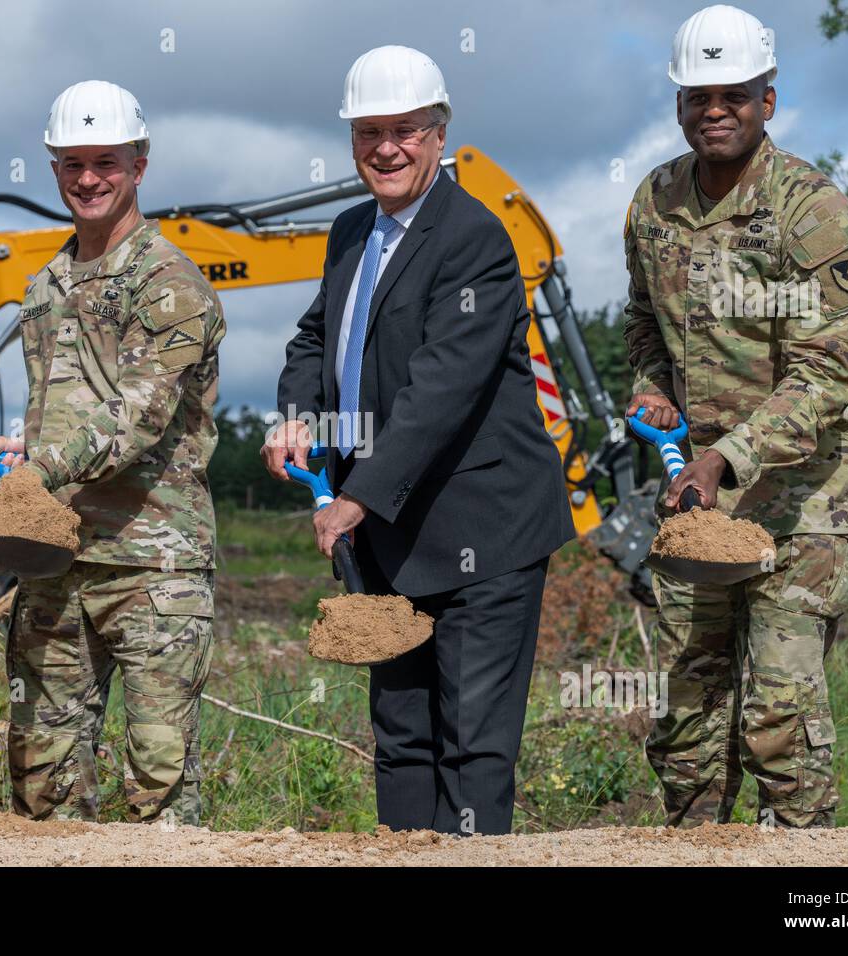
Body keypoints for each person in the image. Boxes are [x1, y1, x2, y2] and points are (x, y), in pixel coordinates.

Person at [263, 45, 576, 835]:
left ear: (439, 135)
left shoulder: (473, 238)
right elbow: (312, 341)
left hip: (481, 533)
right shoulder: (348, 234)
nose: (386, 148)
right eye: (369, 132)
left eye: (405, 129)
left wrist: (357, 495)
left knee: (471, 746)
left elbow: (441, 391)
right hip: (390, 540)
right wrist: (298, 412)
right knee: (401, 739)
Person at [623, 6, 848, 828]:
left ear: (769, 98)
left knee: (778, 715)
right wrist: (650, 387)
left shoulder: (809, 209)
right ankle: (695, 844)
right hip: (698, 500)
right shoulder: (654, 202)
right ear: (680, 104)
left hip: (805, 497)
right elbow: (641, 321)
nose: (715, 109)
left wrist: (727, 455)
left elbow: (831, 368)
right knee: (691, 714)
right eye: (699, 96)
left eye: (735, 94)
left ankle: (807, 875)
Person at [0, 81, 225, 824]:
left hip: (154, 565)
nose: (87, 179)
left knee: (157, 782)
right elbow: (69, 405)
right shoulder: (44, 285)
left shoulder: (169, 283)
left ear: (139, 165)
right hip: (55, 559)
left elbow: (139, 416)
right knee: (43, 779)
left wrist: (37, 473)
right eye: (71, 163)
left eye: (105, 162)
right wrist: (25, 444)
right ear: (53, 167)